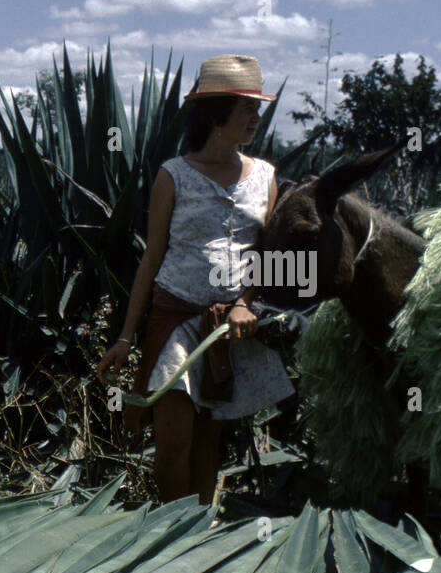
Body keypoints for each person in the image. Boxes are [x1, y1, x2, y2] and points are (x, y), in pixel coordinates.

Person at [95, 54, 295, 506]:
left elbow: (268, 254)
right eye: (246, 108)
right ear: (216, 114)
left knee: (209, 439)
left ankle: (198, 539)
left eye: (256, 108)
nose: (255, 118)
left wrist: (245, 302)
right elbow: (151, 258)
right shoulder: (175, 175)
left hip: (227, 326)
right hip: (175, 318)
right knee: (172, 442)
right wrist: (126, 338)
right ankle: (169, 535)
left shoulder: (265, 177)